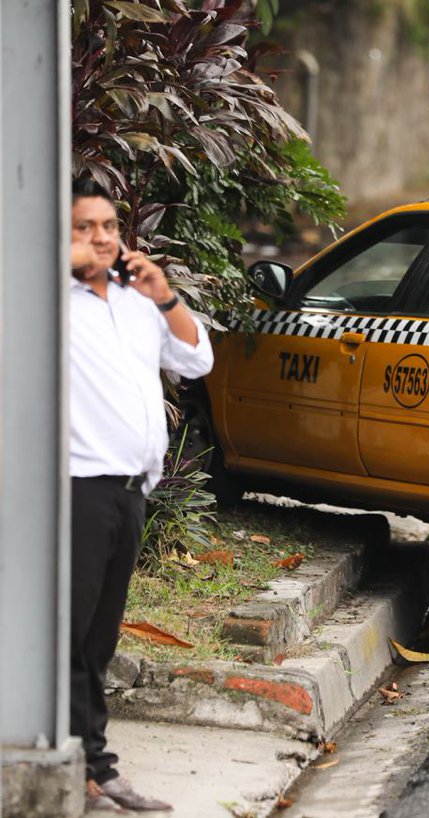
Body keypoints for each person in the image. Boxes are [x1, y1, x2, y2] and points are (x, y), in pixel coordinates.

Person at [69, 178, 213, 811]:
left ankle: (85, 763)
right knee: (69, 634)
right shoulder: (43, 304)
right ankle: (92, 765)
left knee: (99, 637)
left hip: (131, 493)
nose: (101, 238)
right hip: (76, 488)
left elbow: (196, 361)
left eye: (108, 227)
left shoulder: (134, 303)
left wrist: (164, 295)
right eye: (84, 228)